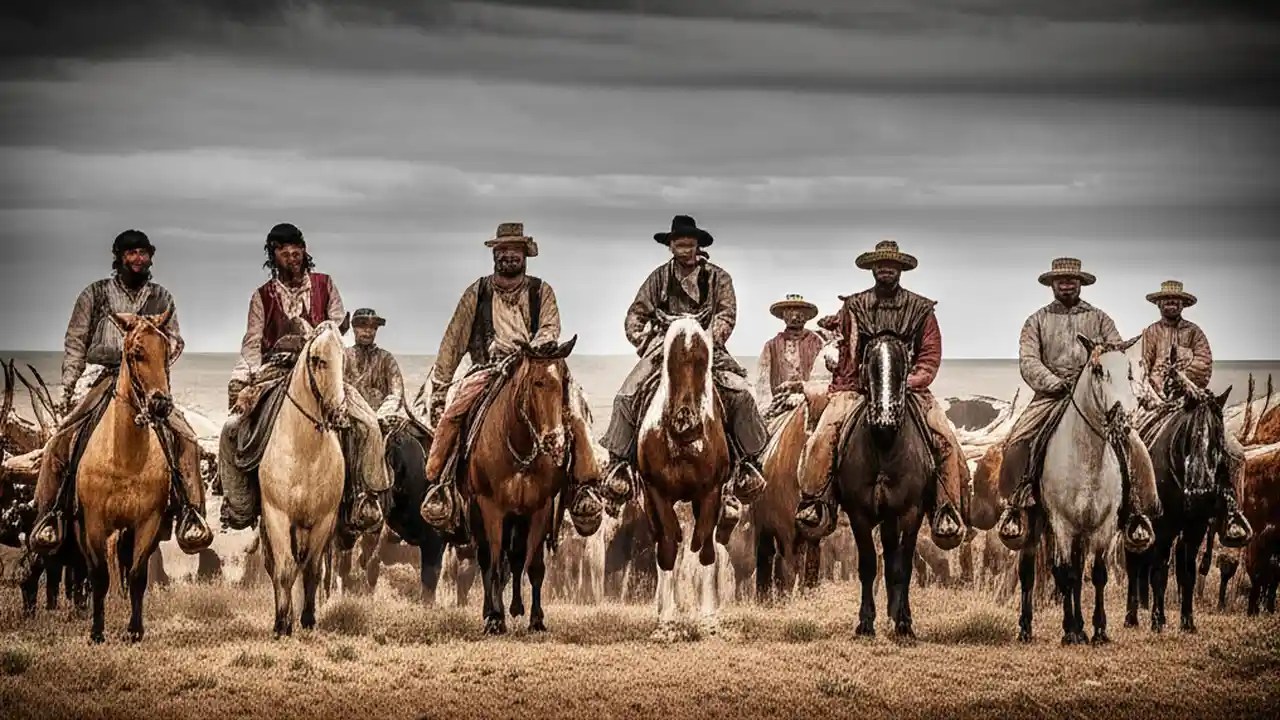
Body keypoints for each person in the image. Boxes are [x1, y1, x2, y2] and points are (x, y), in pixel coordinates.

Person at [28, 229, 212, 555]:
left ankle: (191, 514)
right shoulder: (95, 295)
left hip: (148, 383)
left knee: (187, 440)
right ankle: (49, 516)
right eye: (132, 253)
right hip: (101, 377)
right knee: (61, 439)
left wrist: (154, 360)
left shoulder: (162, 298)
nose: (139, 259)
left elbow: (176, 341)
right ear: (119, 257)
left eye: (144, 253)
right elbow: (75, 343)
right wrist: (68, 388)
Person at [418, 222, 604, 537]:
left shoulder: (541, 291)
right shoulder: (476, 293)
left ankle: (584, 485)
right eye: (503, 250)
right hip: (488, 368)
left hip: (536, 365)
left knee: (575, 408)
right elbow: (454, 340)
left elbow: (550, 328)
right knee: (454, 411)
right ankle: (440, 483)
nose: (508, 256)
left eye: (514, 251)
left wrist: (534, 349)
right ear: (495, 254)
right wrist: (440, 386)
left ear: (525, 255)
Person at [792, 240, 967, 549]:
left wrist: (907, 381)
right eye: (881, 264)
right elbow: (844, 348)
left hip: (909, 388)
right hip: (857, 387)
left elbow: (929, 357)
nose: (886, 269)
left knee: (945, 438)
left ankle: (946, 509)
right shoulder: (854, 305)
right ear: (872, 269)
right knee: (824, 435)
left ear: (901, 269)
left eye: (892, 265)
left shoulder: (921, 308)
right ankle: (817, 501)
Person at [217, 223, 387, 535]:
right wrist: (245, 380)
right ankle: (239, 503)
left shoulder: (325, 285)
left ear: (304, 251)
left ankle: (365, 497)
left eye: (297, 249)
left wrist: (318, 340)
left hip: (322, 370)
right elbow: (252, 343)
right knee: (231, 429)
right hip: (277, 371)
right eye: (284, 251)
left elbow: (335, 326)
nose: (292, 256)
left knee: (369, 424)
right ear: (274, 255)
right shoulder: (262, 296)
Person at [598, 215, 768, 514]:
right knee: (626, 395)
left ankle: (747, 463)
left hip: (707, 352)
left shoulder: (719, 279)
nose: (684, 250)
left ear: (698, 246)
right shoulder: (658, 279)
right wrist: (647, 341)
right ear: (671, 246)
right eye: (679, 244)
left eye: (689, 244)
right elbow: (635, 315)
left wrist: (705, 342)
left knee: (741, 393)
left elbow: (726, 315)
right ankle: (619, 465)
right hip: (664, 351)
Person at [994, 257, 1159, 551]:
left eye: (1072, 279)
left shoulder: (1100, 319)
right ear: (1052, 284)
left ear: (1080, 283)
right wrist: (1054, 383)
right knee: (1018, 438)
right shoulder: (1037, 320)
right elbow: (1029, 361)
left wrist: (1101, 368)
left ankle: (1136, 508)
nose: (1067, 284)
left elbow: (1115, 353)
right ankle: (1017, 504)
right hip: (1051, 395)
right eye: (1061, 280)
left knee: (1131, 441)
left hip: (1093, 395)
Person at [1135, 280, 1251, 547]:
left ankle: (1231, 512)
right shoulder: (1150, 333)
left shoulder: (1195, 333)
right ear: (1159, 304)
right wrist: (1157, 393)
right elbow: (1143, 367)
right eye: (1167, 300)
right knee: (1131, 446)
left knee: (1233, 451)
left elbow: (1205, 364)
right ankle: (1132, 511)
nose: (1171, 304)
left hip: (1192, 404)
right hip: (1156, 404)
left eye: (1176, 300)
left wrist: (1183, 379)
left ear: (1183, 304)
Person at [753, 293, 826, 419]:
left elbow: (823, 378)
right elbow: (762, 383)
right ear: (783, 316)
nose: (794, 315)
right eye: (789, 311)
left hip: (811, 402)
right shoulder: (771, 345)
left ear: (806, 316)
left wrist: (808, 393)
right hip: (779, 405)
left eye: (799, 312)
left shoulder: (817, 342)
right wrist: (766, 408)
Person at [344, 308, 407, 433]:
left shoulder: (386, 358)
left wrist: (383, 414)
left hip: (380, 421)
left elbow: (396, 393)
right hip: (349, 421)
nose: (368, 331)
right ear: (354, 329)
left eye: (373, 327)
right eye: (362, 326)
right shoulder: (343, 357)